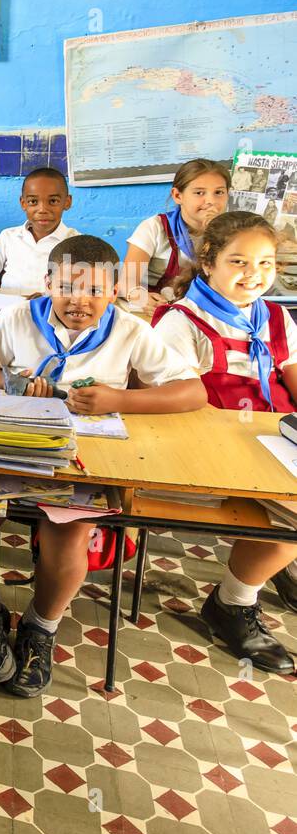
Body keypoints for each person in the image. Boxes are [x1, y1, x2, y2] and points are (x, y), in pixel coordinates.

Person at [0, 236, 205, 697]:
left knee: (70, 533)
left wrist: (121, 398)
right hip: (11, 446)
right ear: (47, 282)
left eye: (96, 290)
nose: (80, 300)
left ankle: (40, 626)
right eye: (69, 286)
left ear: (114, 292)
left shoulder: (129, 331)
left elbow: (193, 393)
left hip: (79, 462)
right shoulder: (17, 317)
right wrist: (18, 383)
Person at [153, 212, 297, 669]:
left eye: (265, 263)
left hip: (270, 440)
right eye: (239, 261)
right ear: (210, 262)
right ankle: (233, 602)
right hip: (207, 447)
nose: (253, 274)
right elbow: (174, 401)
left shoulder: (275, 318)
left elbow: (293, 377)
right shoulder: (183, 322)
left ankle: (278, 563)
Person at [122, 159, 231, 306]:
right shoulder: (155, 227)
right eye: (199, 192)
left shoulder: (233, 234)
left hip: (198, 312)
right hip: (152, 313)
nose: (211, 200)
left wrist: (214, 234)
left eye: (219, 192)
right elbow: (125, 283)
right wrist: (140, 297)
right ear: (177, 196)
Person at [0, 167, 80, 296]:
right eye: (33, 201)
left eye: (53, 201)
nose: (42, 209)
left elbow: (85, 289)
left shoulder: (77, 243)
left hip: (50, 313)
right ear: (23, 203)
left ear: (67, 202)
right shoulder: (9, 237)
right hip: (6, 311)